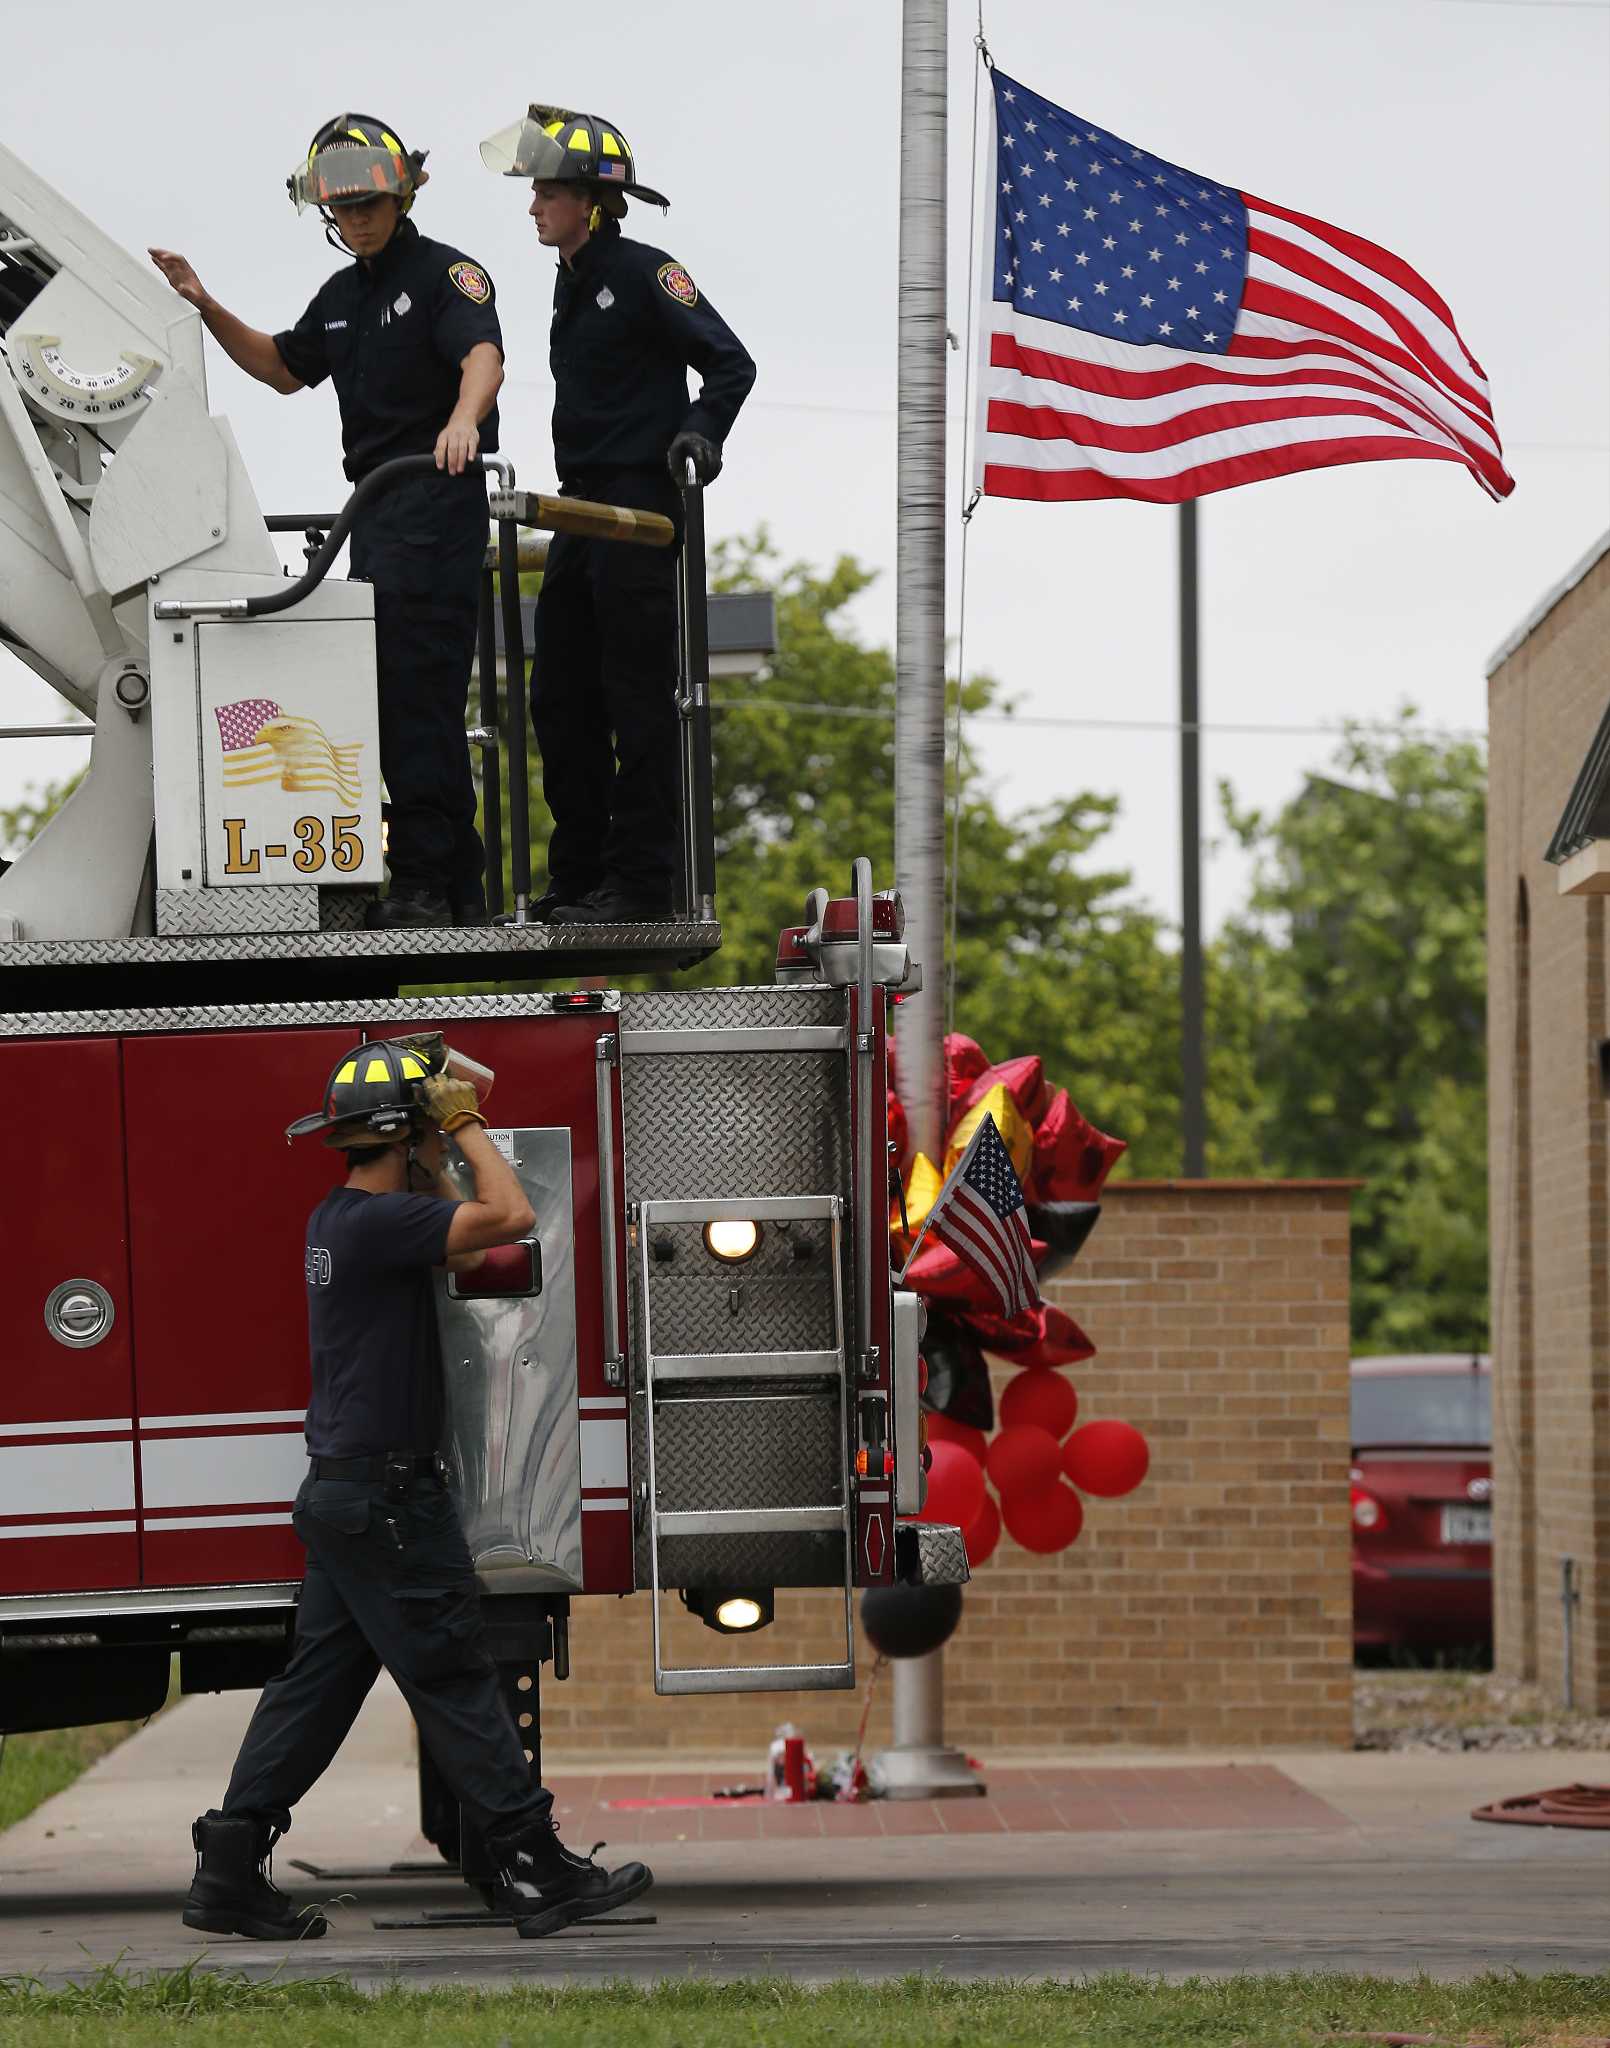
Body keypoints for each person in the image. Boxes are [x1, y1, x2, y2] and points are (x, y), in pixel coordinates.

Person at [181, 1036, 651, 1941]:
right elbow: (510, 1218)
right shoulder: (378, 1227)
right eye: (424, 1131)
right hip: (391, 1502)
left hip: (349, 1496)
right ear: (403, 1132)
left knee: (314, 1687)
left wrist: (432, 1153)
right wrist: (467, 1124)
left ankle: (230, 1868)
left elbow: (467, 1259)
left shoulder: (343, 1220)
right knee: (452, 1673)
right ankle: (533, 1864)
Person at [150, 115, 504, 929]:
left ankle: (425, 882)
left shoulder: (449, 274)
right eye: (344, 209)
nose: (360, 218)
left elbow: (483, 355)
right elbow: (281, 367)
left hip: (435, 498)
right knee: (399, 699)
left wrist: (464, 421)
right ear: (328, 217)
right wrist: (204, 304)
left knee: (417, 697)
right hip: (377, 512)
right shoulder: (342, 297)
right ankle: (456, 887)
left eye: (372, 202)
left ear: (401, 193)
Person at [480, 106, 756, 923]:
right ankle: (579, 878)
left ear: (591, 202)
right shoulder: (569, 282)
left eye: (546, 194)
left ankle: (640, 884)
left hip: (638, 509)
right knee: (558, 696)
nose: (532, 207)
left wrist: (697, 437)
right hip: (579, 511)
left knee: (637, 698)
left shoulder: (645, 270)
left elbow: (731, 364)